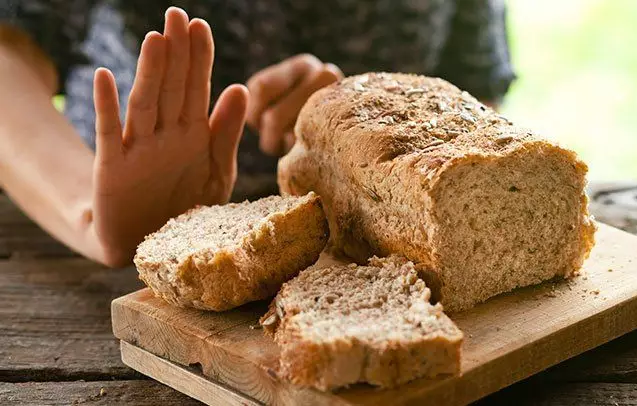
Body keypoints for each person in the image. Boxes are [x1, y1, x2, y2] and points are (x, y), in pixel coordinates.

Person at [0, 1, 515, 267]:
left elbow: (472, 96)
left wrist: (359, 114)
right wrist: (86, 209)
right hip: (95, 252)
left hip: (369, 251)